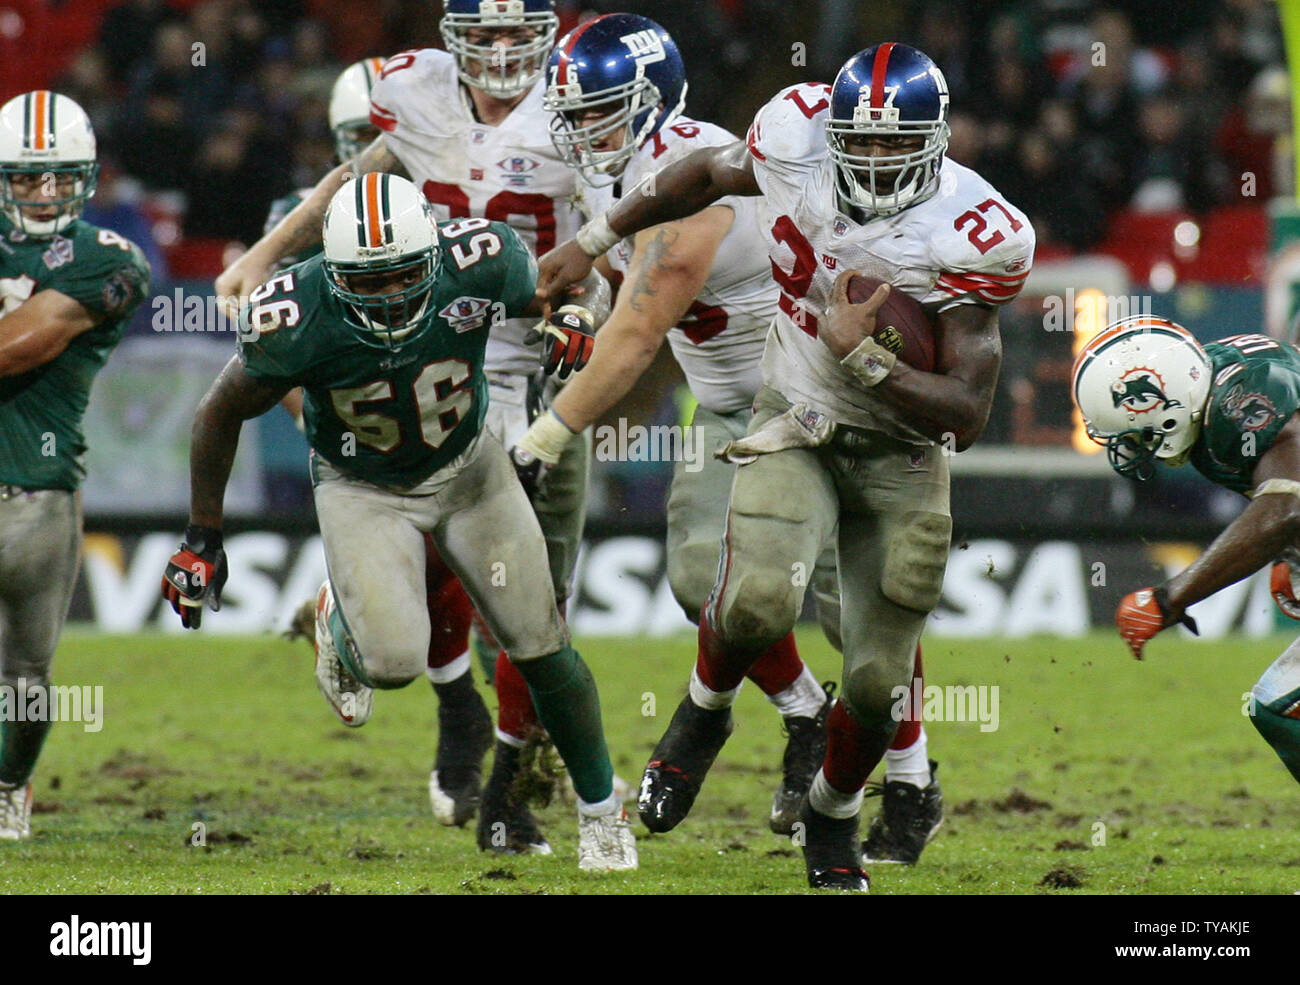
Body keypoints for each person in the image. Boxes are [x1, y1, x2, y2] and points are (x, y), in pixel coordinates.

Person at [535, 42, 1035, 889]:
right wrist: (597, 233)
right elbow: (701, 174)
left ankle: (834, 815)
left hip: (900, 451)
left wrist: (866, 357)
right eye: (860, 140)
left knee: (875, 685)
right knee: (755, 595)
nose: (873, 158)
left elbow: (968, 417)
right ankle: (702, 711)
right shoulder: (793, 138)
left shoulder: (976, 231)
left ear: (935, 139)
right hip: (795, 413)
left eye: (893, 142)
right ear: (832, 130)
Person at [215, 1, 605, 854]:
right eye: (485, 35)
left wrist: (593, 310)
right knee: (437, 563)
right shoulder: (417, 96)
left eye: (517, 33)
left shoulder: (583, 95)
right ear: (451, 39)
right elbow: (361, 175)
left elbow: (616, 230)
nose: (502, 52)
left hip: (541, 350)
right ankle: (401, 660)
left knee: (540, 610)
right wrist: (264, 252)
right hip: (439, 342)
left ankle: (505, 776)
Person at [161, 173, 634, 871]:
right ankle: (340, 618)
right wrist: (203, 533)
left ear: (434, 256)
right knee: (392, 664)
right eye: (365, 281)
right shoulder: (296, 312)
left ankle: (601, 815)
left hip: (471, 469)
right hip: (362, 485)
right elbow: (218, 412)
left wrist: (579, 315)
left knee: (540, 641)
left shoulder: (482, 257)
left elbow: (577, 278)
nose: (386, 297)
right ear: (331, 268)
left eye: (401, 276)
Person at [0, 91, 151, 838]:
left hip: (38, 491)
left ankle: (9, 783)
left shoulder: (107, 261)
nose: (45, 192)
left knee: (25, 680)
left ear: (87, 178)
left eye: (60, 177)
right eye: (28, 178)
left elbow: (21, 344)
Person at [1074, 316, 1300, 787]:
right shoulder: (1212, 386)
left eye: (1135, 432)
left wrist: (1171, 598)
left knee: (1284, 707)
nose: (1132, 448)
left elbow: (1286, 503)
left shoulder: (1240, 403)